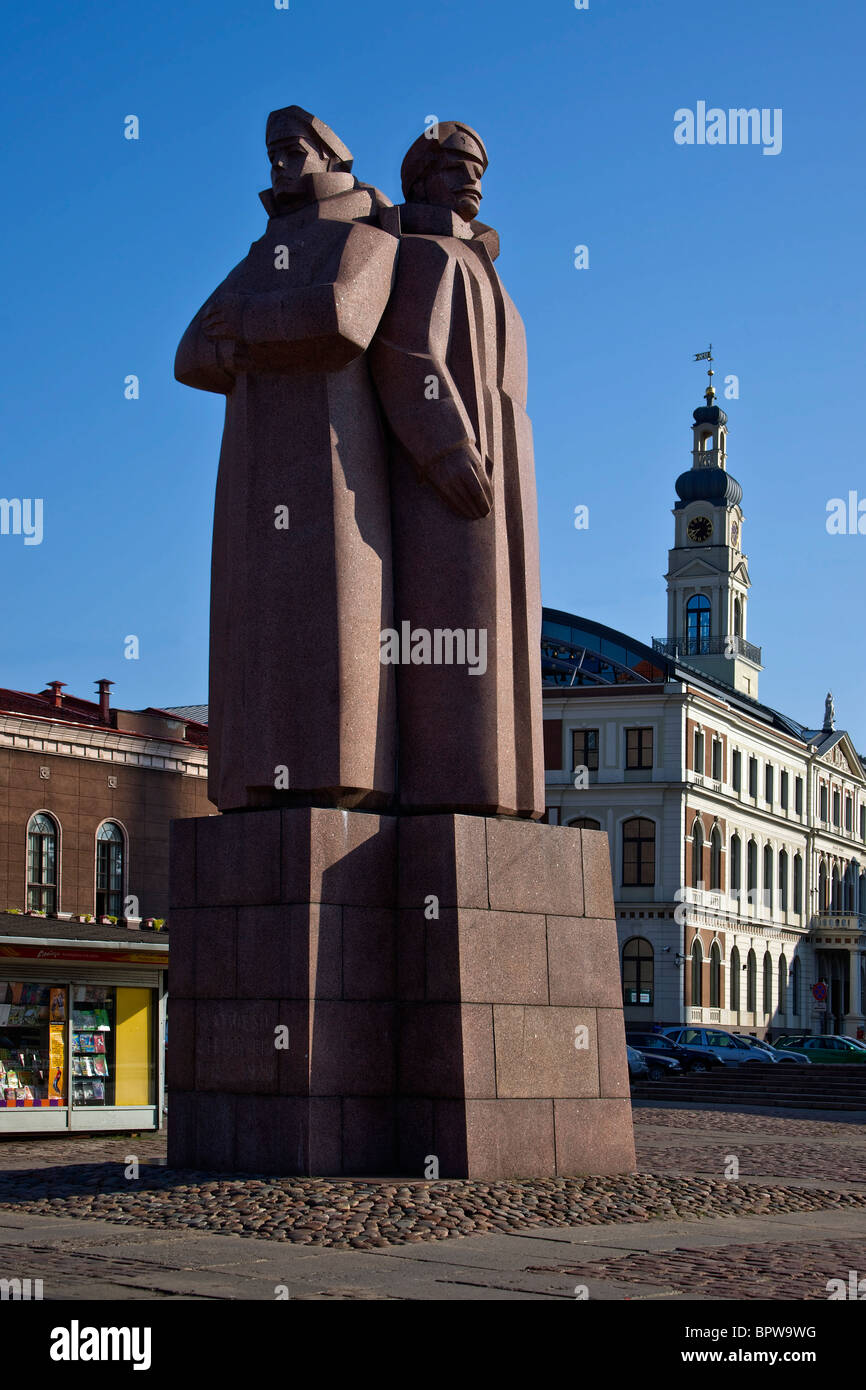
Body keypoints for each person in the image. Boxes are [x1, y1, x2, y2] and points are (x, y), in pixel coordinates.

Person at [176, 106, 399, 812]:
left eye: (289, 151)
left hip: (335, 457)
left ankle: (335, 773)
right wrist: (243, 344)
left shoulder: (365, 234)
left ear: (332, 156)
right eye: (270, 154)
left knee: (333, 613)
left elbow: (343, 319)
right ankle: (252, 778)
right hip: (251, 462)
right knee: (254, 622)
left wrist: (245, 329)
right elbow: (188, 354)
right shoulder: (259, 254)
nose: (276, 166)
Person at [370, 122, 545, 817]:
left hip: (506, 488)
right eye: (455, 166)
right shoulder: (426, 254)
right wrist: (445, 447)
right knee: (458, 642)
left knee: (507, 648)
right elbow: (407, 353)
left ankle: (507, 802)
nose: (472, 179)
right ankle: (461, 798)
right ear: (420, 177)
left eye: (479, 168)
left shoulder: (481, 267)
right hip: (453, 483)